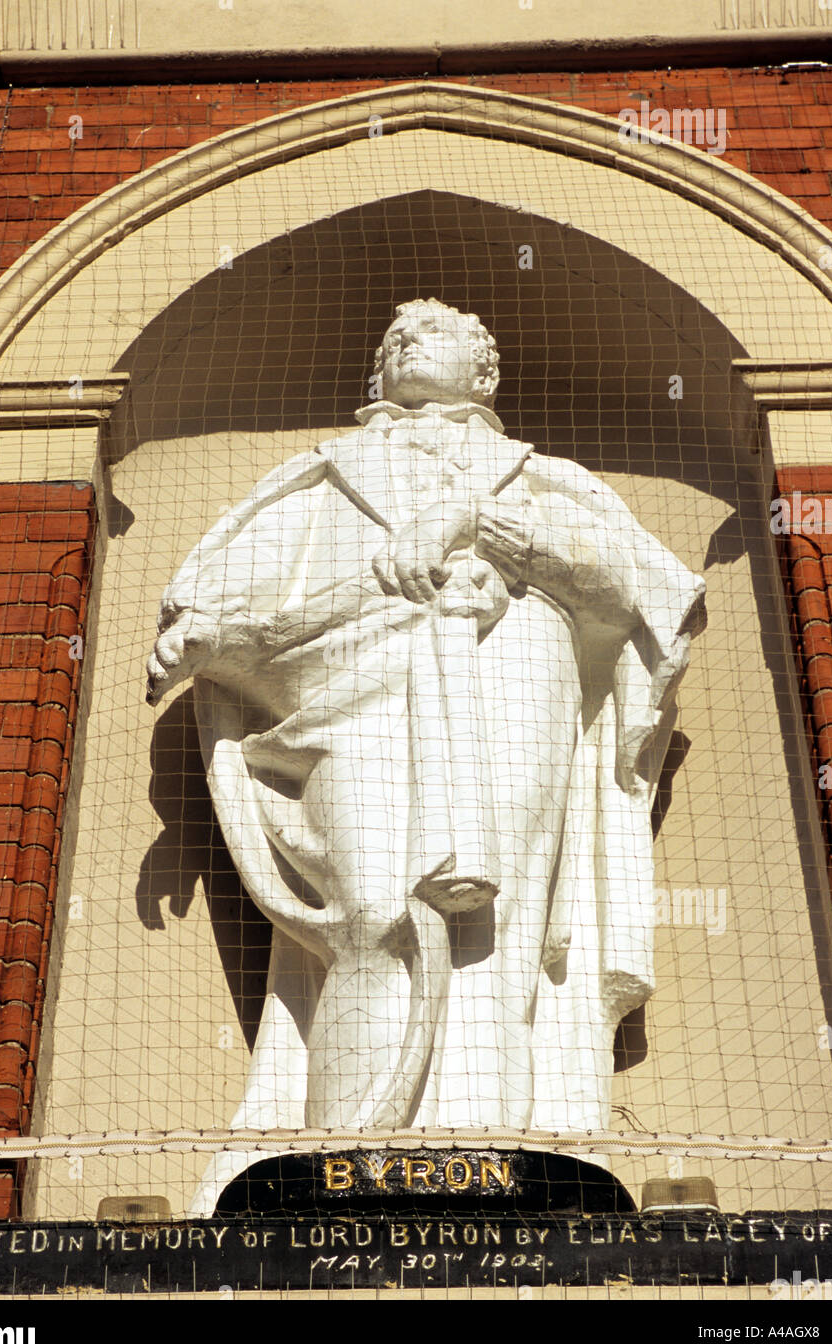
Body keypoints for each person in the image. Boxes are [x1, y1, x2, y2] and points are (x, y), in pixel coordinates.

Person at [146, 298, 705, 1209]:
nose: (405, 337)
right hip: (348, 694)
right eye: (392, 334)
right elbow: (235, 594)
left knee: (502, 920)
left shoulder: (537, 476)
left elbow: (630, 591)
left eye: (432, 330)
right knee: (371, 907)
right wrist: (204, 636)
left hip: (512, 678)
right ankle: (348, 1147)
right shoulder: (326, 475)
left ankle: (494, 1138)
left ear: (484, 372)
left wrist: (486, 531)